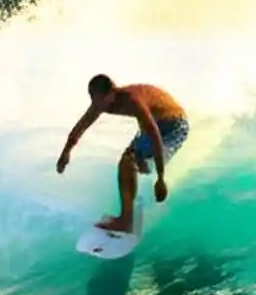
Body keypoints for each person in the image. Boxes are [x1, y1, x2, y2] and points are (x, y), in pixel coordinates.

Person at [55, 74, 190, 232]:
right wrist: (66, 152)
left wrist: (161, 178)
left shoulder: (132, 101)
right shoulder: (100, 104)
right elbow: (81, 126)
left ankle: (125, 222)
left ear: (112, 93)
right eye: (93, 100)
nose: (98, 106)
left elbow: (155, 137)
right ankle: (131, 203)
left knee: (128, 162)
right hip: (154, 121)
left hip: (174, 124)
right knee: (132, 161)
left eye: (100, 101)